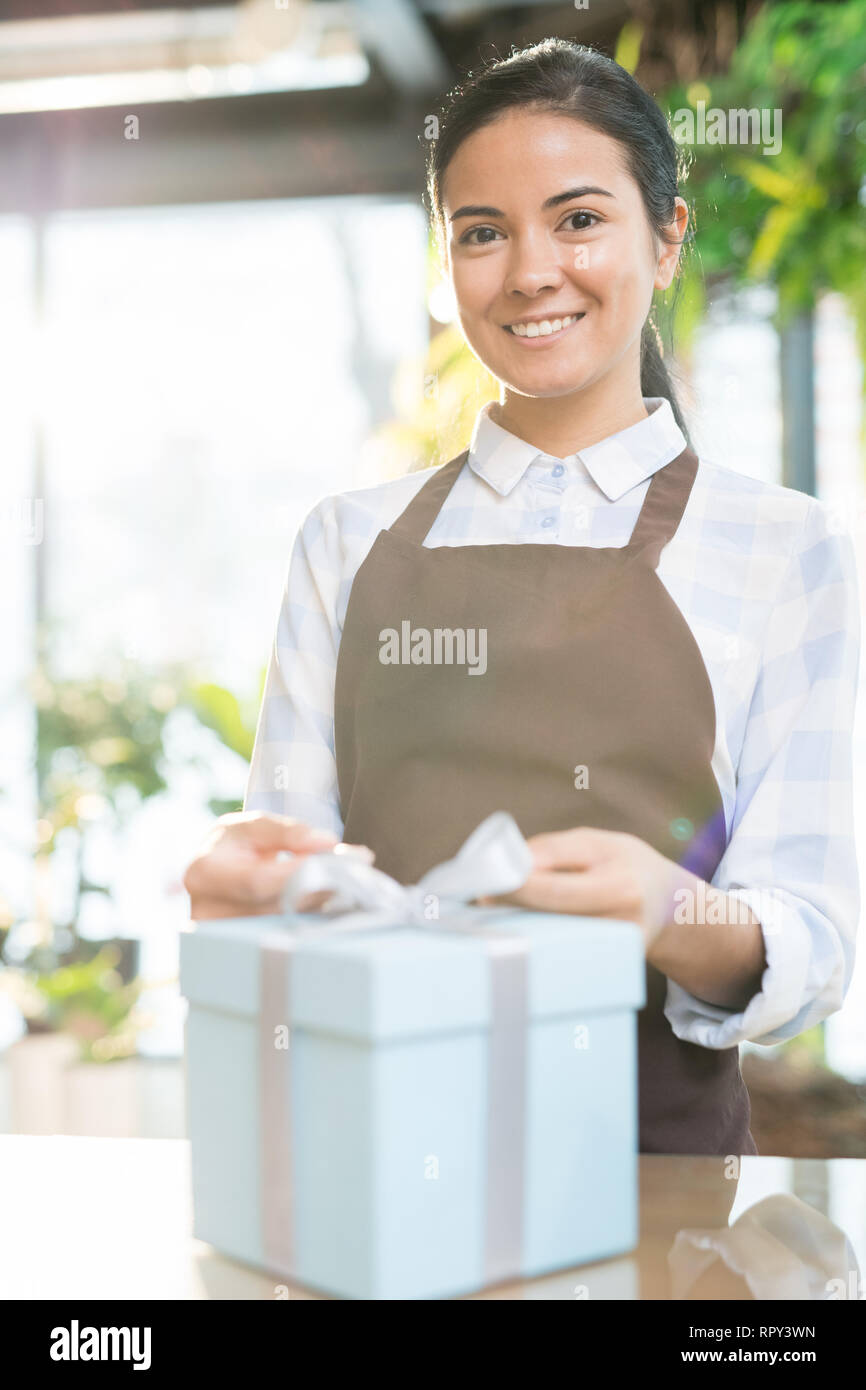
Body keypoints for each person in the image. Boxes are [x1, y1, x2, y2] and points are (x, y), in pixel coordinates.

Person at [183, 39, 860, 1156]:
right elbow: (294, 889)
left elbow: (811, 946)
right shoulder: (345, 543)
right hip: (380, 1164)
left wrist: (663, 904)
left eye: (579, 218)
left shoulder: (782, 548)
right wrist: (251, 896)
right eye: (481, 232)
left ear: (667, 235)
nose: (530, 270)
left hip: (654, 1190)